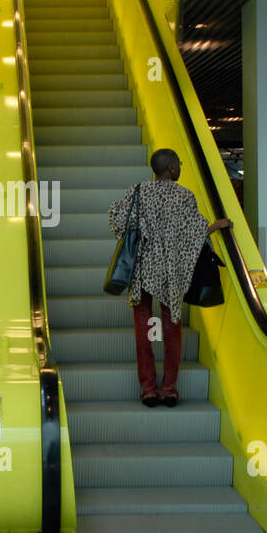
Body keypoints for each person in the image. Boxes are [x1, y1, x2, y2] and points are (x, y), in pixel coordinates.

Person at [108, 148, 231, 408]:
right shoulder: (184, 196)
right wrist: (216, 226)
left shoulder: (138, 191)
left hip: (142, 270)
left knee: (143, 327)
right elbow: (194, 235)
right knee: (171, 327)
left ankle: (148, 389)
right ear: (171, 168)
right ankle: (169, 389)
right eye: (179, 164)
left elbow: (118, 221)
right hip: (171, 272)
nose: (180, 168)